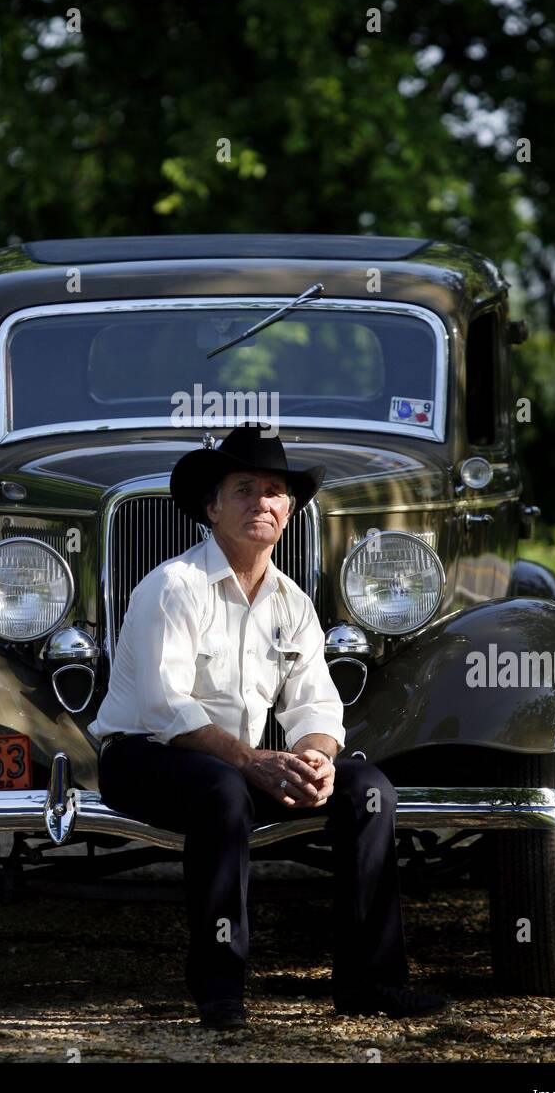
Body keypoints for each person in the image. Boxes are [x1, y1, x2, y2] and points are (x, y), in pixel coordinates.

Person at [89, 422, 451, 1029]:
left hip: (236, 763)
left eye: (275, 492)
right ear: (211, 507)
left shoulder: (293, 601)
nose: (262, 501)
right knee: (223, 789)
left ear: (288, 511)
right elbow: (163, 707)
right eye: (244, 489)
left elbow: (315, 705)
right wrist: (252, 761)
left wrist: (315, 757)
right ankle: (220, 988)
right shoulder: (173, 586)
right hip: (143, 759)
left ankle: (372, 981)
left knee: (368, 790)